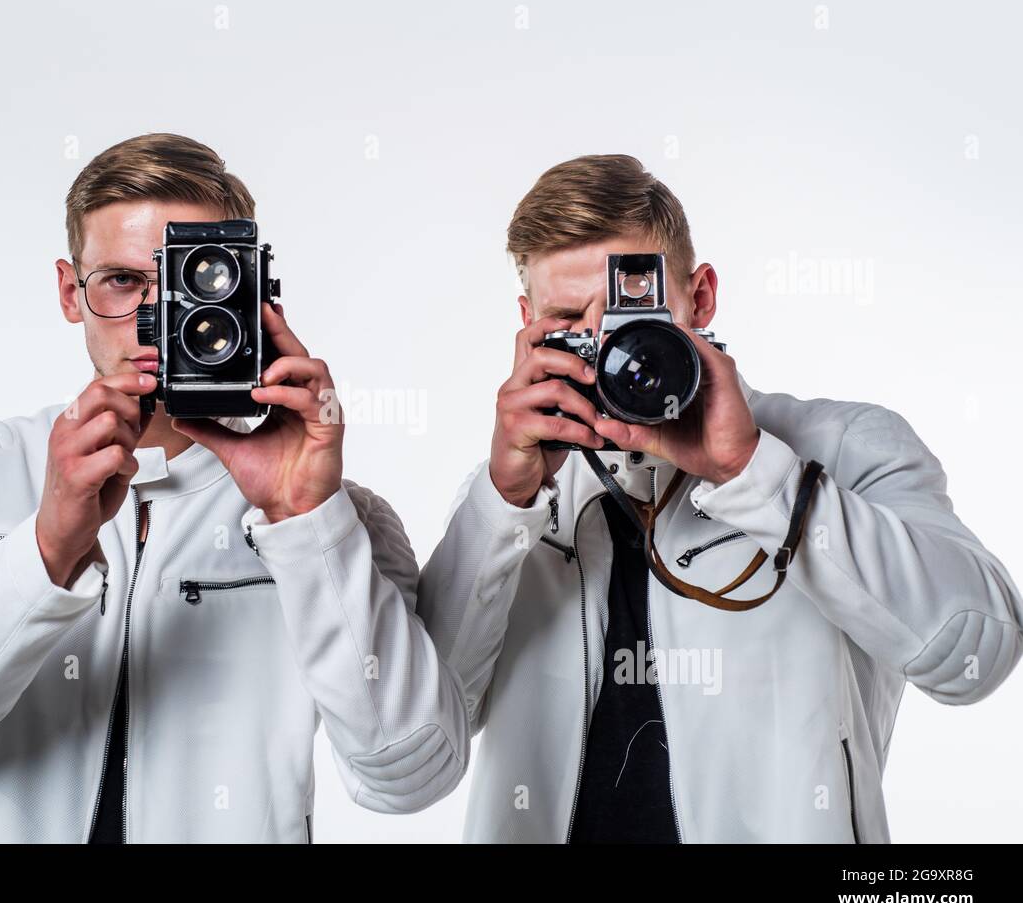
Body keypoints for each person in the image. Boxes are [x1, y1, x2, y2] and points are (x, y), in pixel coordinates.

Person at [0, 133, 467, 842]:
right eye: (125, 282)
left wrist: (305, 519)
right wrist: (46, 548)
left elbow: (413, 776)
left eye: (199, 280)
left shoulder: (341, 515)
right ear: (73, 292)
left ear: (254, 290)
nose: (161, 321)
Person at [417, 153, 1023, 843]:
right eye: (568, 319)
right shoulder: (508, 499)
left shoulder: (848, 446)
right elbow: (420, 745)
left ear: (699, 298)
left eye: (630, 314)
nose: (610, 348)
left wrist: (755, 474)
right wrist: (504, 499)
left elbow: (979, 651)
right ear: (527, 326)